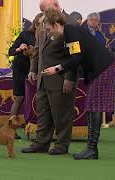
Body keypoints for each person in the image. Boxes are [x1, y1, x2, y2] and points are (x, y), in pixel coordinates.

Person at [42, 8, 115, 160]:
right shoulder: (69, 34)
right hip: (96, 69)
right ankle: (91, 148)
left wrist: (57, 68)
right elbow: (76, 59)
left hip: (103, 67)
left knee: (94, 107)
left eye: (49, 30)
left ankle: (92, 149)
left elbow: (75, 58)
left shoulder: (71, 33)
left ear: (56, 25)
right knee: (91, 107)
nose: (49, 34)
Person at [21, 0, 77, 155]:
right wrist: (33, 69)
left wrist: (69, 77)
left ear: (55, 5)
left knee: (62, 114)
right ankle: (41, 143)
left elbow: (74, 56)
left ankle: (61, 145)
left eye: (45, 10)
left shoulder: (70, 24)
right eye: (42, 11)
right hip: (42, 78)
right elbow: (38, 49)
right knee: (43, 113)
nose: (43, 14)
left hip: (60, 78)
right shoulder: (42, 22)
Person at [9, 13, 43, 139]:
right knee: (20, 98)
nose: (41, 26)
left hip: (36, 71)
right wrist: (19, 48)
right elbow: (11, 51)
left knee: (36, 99)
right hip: (20, 70)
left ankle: (36, 127)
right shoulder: (25, 35)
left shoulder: (47, 36)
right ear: (35, 24)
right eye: (39, 23)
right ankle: (11, 129)